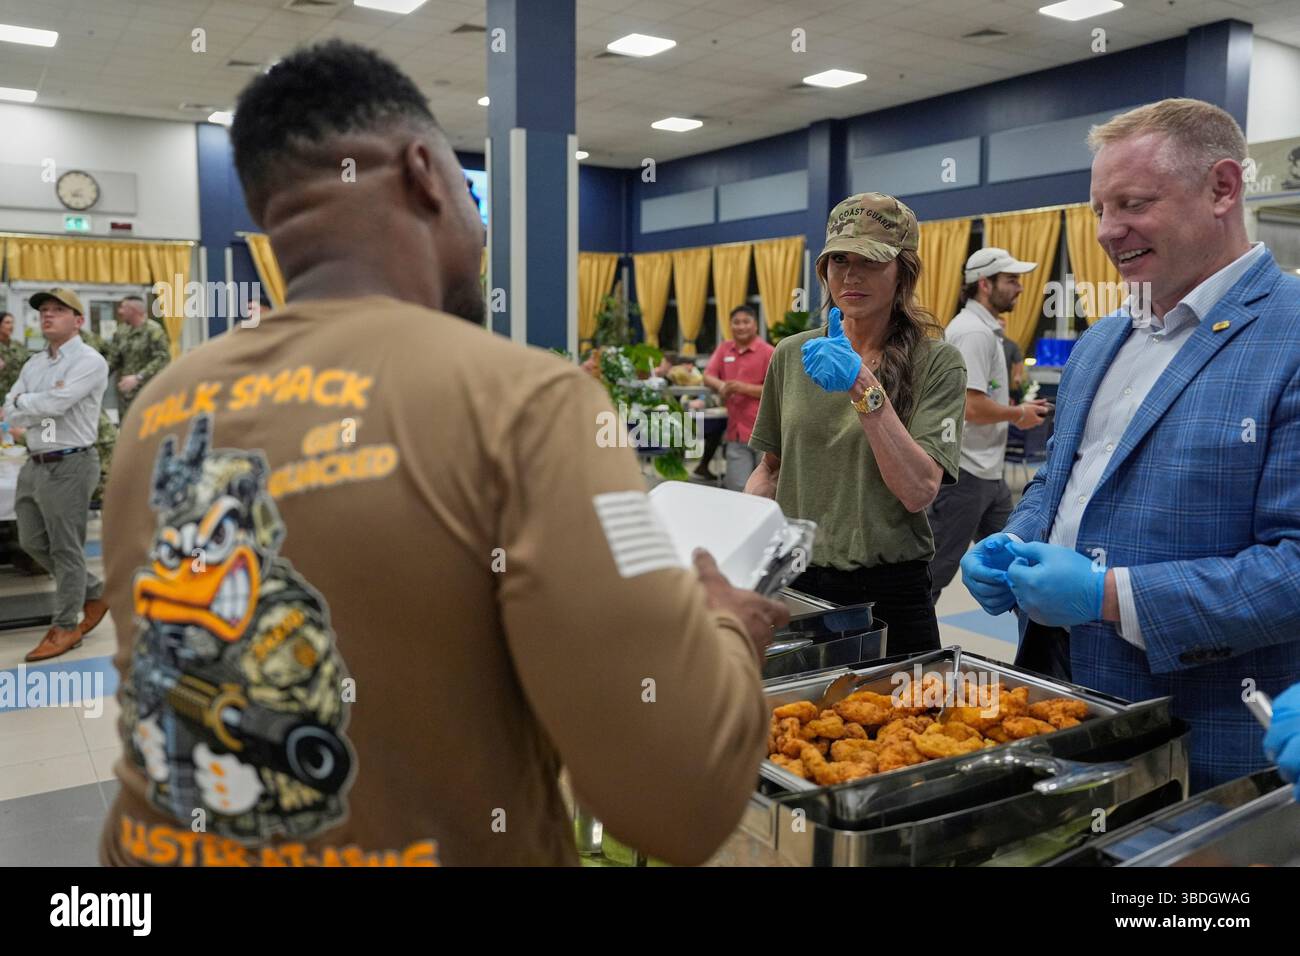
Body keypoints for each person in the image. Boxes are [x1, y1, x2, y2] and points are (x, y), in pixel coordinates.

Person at [99, 40, 787, 868]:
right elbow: (676, 801)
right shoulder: (526, 400)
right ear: (426, 172)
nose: (480, 225)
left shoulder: (161, 414)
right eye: (473, 195)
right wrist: (728, 625)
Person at [961, 98, 1300, 792]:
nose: (1109, 233)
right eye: (1098, 210)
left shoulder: (1289, 339)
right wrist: (1015, 540)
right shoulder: (1103, 341)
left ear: (1223, 188)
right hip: (1057, 703)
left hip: (1200, 737)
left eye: (1134, 204)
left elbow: (1293, 569)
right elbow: (1059, 485)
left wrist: (1107, 594)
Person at [747, 193, 968, 656]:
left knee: (906, 724)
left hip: (890, 589)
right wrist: (739, 547)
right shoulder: (792, 354)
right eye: (839, 260)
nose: (850, 275)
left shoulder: (938, 362)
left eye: (869, 261)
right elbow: (770, 470)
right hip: (799, 580)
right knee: (802, 719)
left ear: (903, 271)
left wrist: (862, 386)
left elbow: (918, 490)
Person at [927, 249, 1050, 603]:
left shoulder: (984, 330)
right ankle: (906, 649)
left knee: (1016, 563)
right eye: (1011, 280)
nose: (1020, 288)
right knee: (934, 573)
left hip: (986, 471)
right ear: (984, 284)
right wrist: (1018, 414)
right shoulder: (973, 333)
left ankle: (1038, 646)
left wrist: (1015, 410)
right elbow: (971, 406)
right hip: (965, 472)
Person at [2, 288, 110, 662]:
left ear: (78, 320)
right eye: (44, 310)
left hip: (70, 463)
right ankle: (93, 590)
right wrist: (29, 404)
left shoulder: (90, 361)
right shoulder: (34, 364)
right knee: (31, 542)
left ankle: (66, 626)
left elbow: (56, 404)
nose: (47, 315)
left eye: (58, 310)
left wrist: (27, 404)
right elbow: (10, 410)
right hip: (35, 462)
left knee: (66, 548)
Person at [703, 304, 774, 491]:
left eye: (746, 322)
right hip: (736, 433)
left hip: (766, 434)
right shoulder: (725, 349)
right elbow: (707, 375)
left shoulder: (768, 352)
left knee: (766, 491)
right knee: (736, 490)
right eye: (736, 322)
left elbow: (775, 390)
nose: (741, 326)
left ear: (755, 325)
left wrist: (742, 388)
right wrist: (722, 386)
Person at [106, 295, 170, 418]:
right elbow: (113, 360)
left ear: (134, 310)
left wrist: (139, 377)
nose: (119, 311)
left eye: (123, 307)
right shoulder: (121, 332)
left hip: (149, 393)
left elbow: (163, 358)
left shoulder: (153, 331)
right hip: (126, 396)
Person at [0, 311, 31, 402]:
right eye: (7, 323)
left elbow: (29, 366)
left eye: (12, 323)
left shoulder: (18, 345)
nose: (11, 326)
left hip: (17, 396)